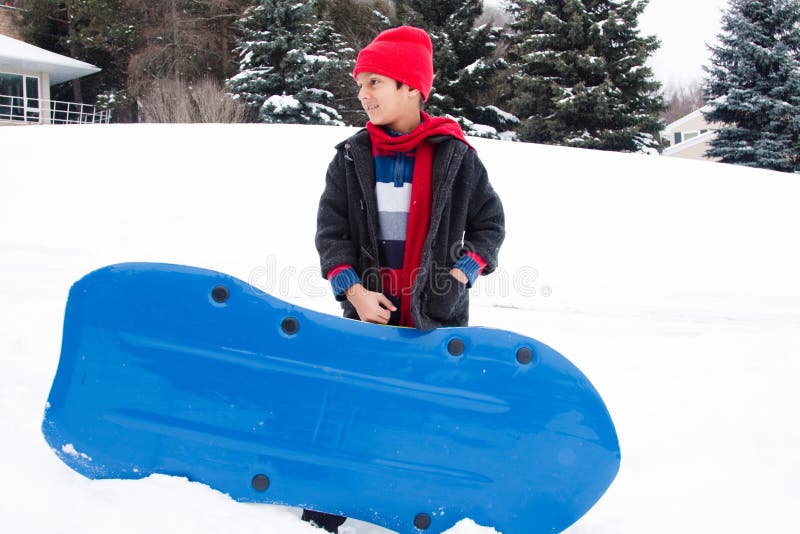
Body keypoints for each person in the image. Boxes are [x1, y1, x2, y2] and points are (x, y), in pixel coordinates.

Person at [310, 26, 505, 532]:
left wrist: (462, 274)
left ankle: (418, 509)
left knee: (424, 412)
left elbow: (489, 225)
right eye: (359, 84)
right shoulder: (351, 157)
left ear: (412, 88)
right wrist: (353, 290)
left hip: (434, 315)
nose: (362, 94)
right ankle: (326, 509)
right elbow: (331, 233)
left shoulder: (457, 158)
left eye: (374, 82)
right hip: (368, 310)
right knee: (352, 405)